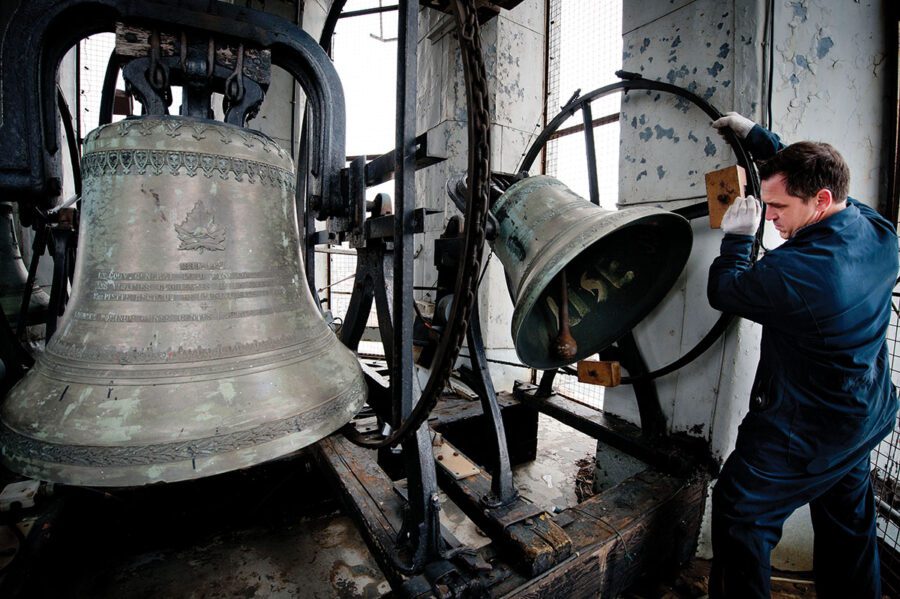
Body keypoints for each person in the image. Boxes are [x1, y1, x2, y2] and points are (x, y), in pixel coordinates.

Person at [706, 112, 899, 598]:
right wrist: (761, 141)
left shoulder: (799, 273)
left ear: (820, 202)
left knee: (740, 509)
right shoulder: (878, 231)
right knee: (848, 521)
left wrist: (734, 239)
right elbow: (816, 173)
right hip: (863, 416)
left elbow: (726, 291)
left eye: (777, 207)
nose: (769, 218)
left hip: (805, 430)